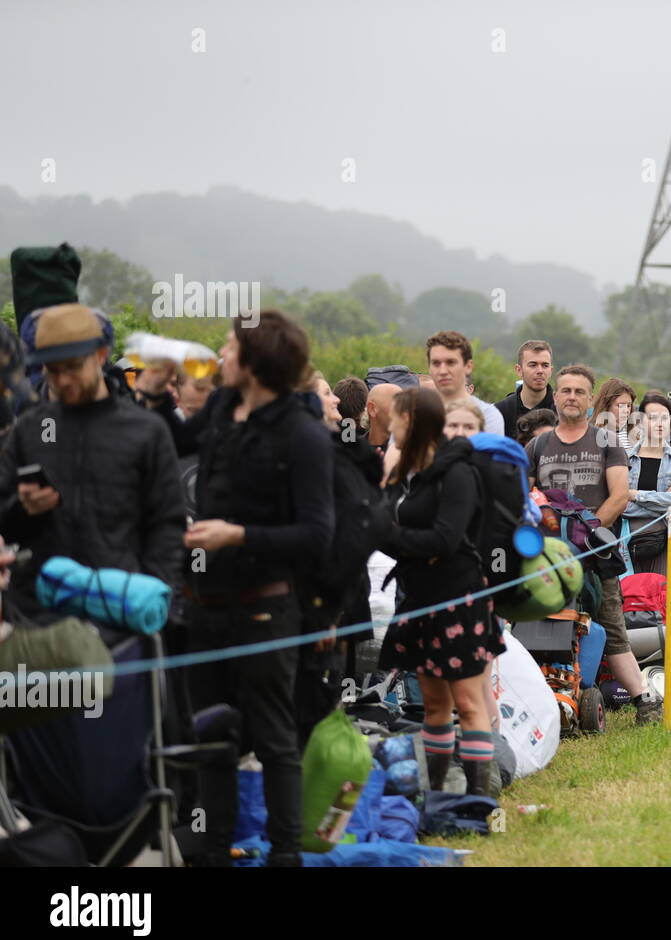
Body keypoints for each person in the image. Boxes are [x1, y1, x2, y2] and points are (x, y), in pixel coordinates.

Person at [137, 310, 335, 868]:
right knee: (209, 735)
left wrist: (237, 534)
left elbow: (318, 535)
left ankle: (285, 855)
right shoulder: (223, 406)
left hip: (265, 609)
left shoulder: (304, 435)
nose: (219, 358)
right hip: (204, 609)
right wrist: (152, 392)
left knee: (273, 737)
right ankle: (215, 850)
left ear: (253, 363)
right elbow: (177, 441)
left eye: (228, 349)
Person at [0, 304, 186, 619]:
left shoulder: (145, 431)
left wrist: (152, 591)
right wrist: (24, 509)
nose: (63, 380)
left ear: (100, 355)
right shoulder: (30, 430)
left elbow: (167, 524)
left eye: (73, 367)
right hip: (39, 615)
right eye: (53, 370)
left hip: (120, 609)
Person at [378, 388, 505, 795]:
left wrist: (392, 536)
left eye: (396, 418)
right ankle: (437, 795)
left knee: (468, 704)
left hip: (457, 599)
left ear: (413, 422)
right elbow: (387, 527)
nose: (389, 426)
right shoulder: (405, 472)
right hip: (418, 597)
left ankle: (479, 800)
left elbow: (446, 539)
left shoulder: (458, 471)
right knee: (433, 706)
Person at [525, 365, 660, 724]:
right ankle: (542, 694)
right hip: (547, 558)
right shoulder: (538, 445)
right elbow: (524, 497)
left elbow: (618, 496)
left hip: (596, 552)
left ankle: (645, 700)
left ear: (589, 399)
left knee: (612, 626)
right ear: (556, 397)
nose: (571, 397)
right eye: (565, 390)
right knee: (541, 623)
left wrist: (585, 533)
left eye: (579, 392)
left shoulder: (607, 441)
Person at [623, 393, 671, 575]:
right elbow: (621, 505)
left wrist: (636, 495)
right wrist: (663, 503)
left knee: (665, 599)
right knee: (631, 599)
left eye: (664, 418)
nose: (659, 423)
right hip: (629, 541)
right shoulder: (625, 459)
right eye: (652, 418)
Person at [425, 330, 505, 435]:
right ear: (429, 367)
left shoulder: (488, 416)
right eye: (436, 363)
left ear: (468, 366)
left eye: (451, 362)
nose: (442, 371)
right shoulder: (417, 414)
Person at [495, 339, 556, 441]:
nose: (540, 371)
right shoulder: (500, 412)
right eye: (533, 365)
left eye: (545, 365)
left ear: (551, 370)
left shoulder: (562, 411)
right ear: (519, 370)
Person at [592, 377, 637, 450]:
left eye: (628, 405)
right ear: (606, 406)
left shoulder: (636, 436)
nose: (626, 411)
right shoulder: (592, 434)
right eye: (620, 405)